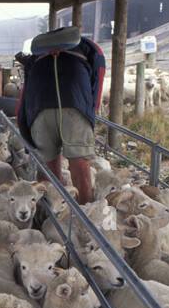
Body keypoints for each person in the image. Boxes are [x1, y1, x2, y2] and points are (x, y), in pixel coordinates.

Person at [15, 26, 106, 205]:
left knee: (48, 169)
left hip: (40, 111)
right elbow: (98, 78)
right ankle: (84, 215)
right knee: (80, 168)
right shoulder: (90, 47)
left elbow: (25, 92)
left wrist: (23, 123)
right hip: (75, 109)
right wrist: (90, 112)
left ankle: (54, 214)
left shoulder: (36, 56)